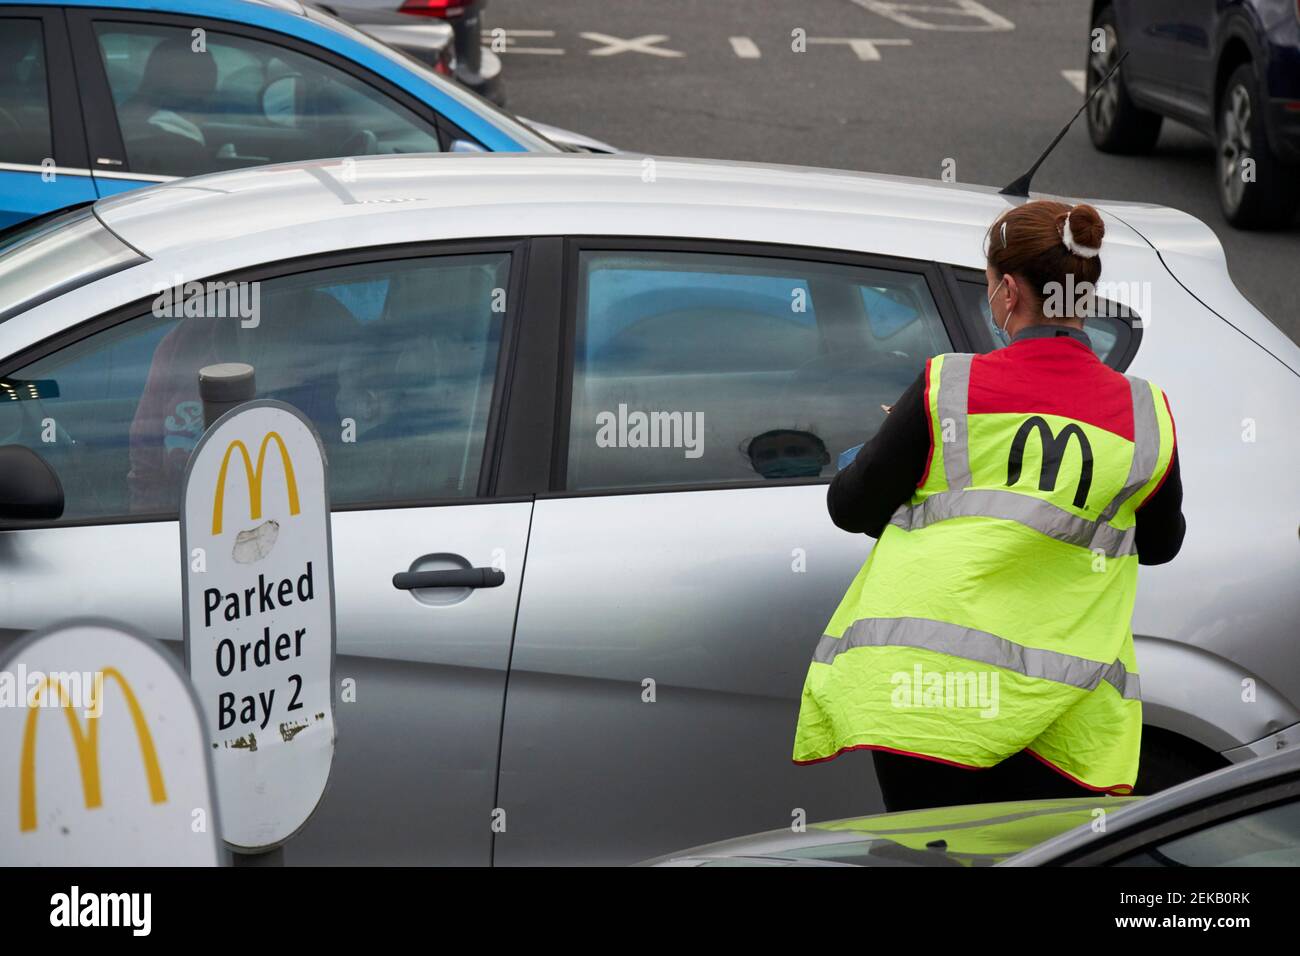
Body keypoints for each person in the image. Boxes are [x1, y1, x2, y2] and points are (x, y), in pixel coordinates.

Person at [792, 200, 1186, 811]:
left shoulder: (947, 387)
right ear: (1083, 293)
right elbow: (1161, 544)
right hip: (1058, 712)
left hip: (926, 700)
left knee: (930, 858)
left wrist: (879, 449)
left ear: (1006, 292)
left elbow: (851, 507)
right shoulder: (1145, 414)